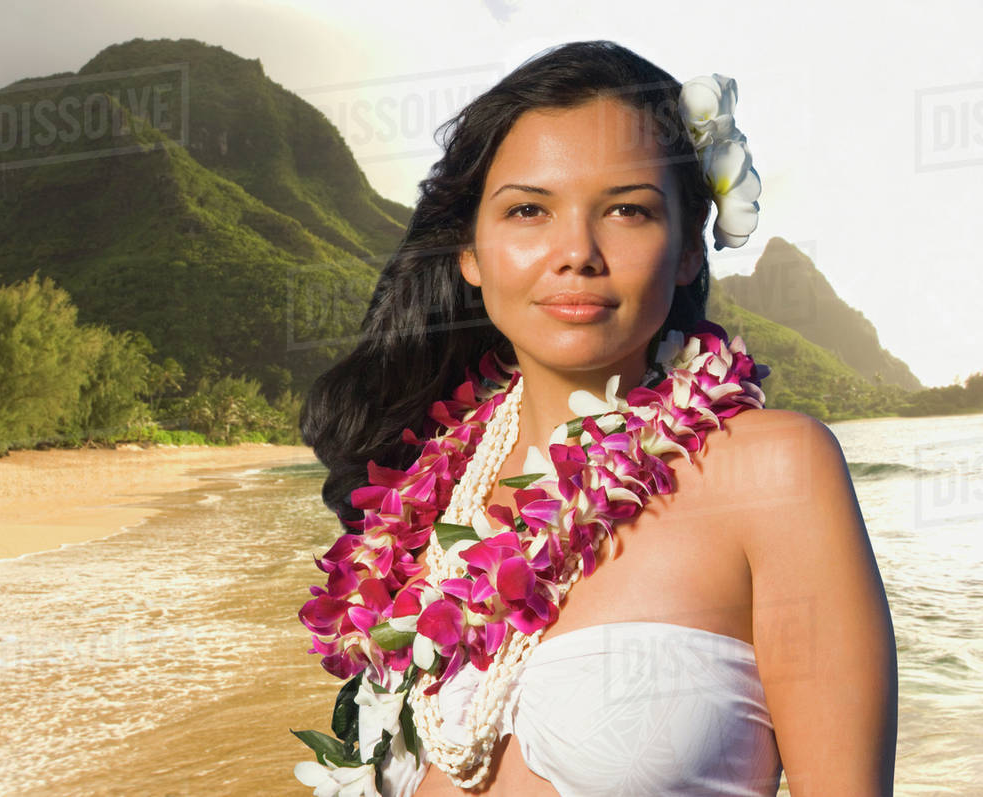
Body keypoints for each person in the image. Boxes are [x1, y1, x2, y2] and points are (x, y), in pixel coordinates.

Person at [295, 40, 897, 796]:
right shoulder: (422, 502)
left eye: (626, 210)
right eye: (527, 210)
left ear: (684, 249)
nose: (576, 251)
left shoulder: (776, 469)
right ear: (471, 252)